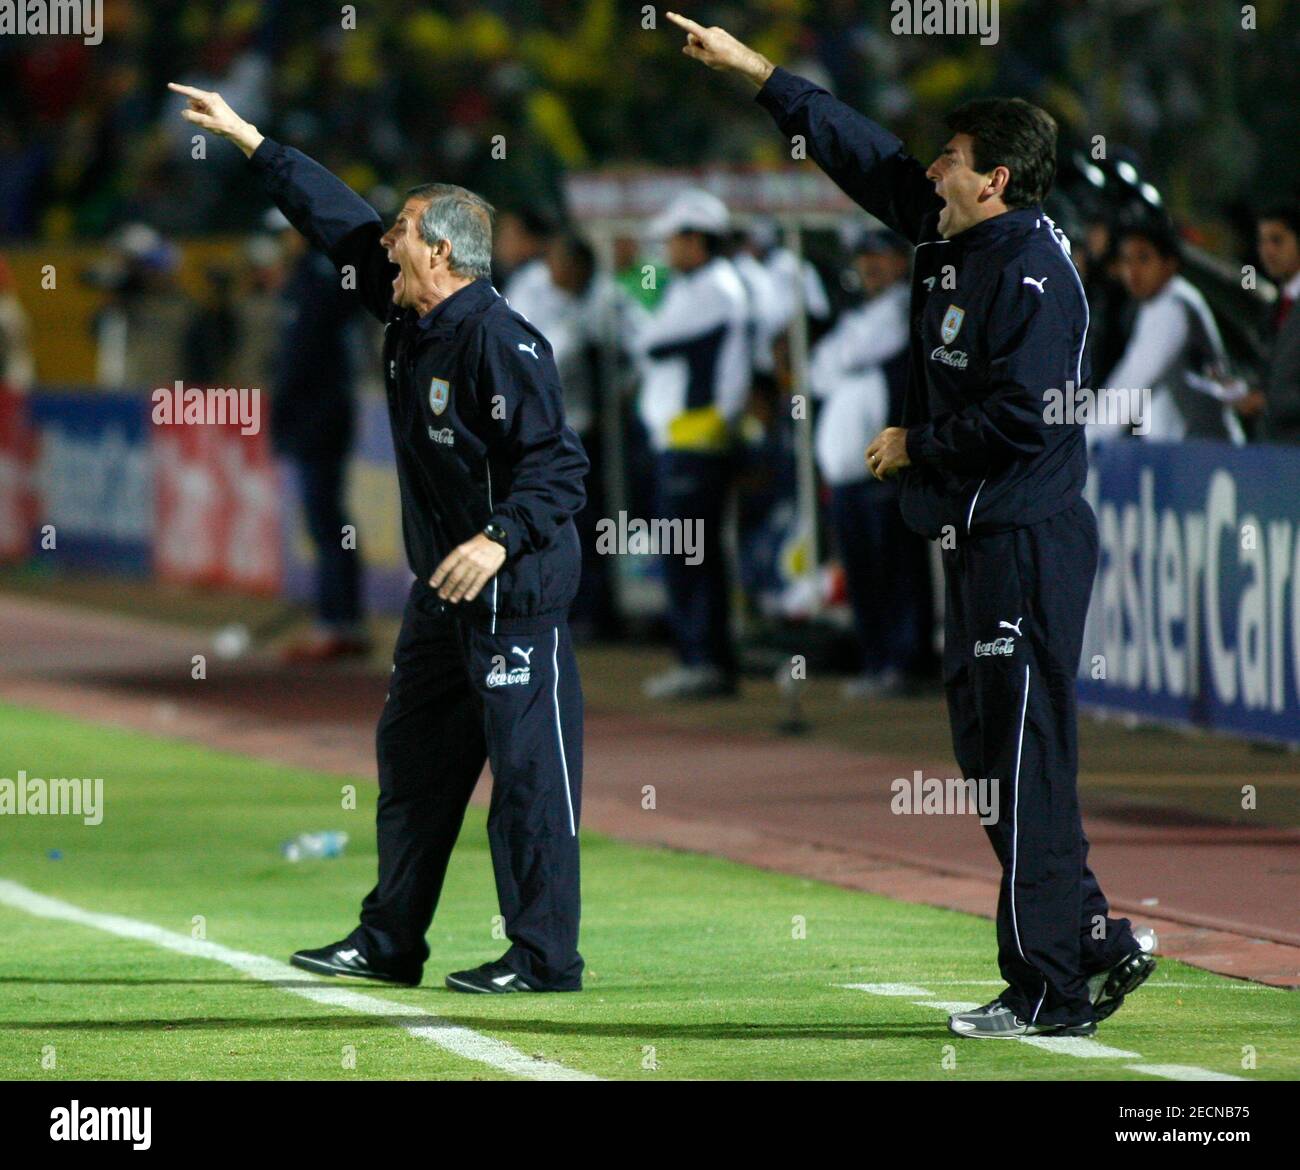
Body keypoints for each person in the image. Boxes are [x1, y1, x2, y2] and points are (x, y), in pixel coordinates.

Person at [667, 12, 1154, 1038]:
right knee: (992, 760)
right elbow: (864, 155)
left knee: (1021, 763)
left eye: (952, 159)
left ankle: (1048, 989)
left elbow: (1028, 413)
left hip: (1022, 539)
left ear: (998, 183)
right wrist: (755, 72)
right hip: (978, 540)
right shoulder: (954, 236)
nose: (931, 171)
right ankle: (1091, 938)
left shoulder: (1032, 276)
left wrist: (915, 444)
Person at [171, 81, 590, 994]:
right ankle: (391, 939)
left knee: (527, 784)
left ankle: (545, 958)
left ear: (440, 250)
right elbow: (338, 224)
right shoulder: (412, 317)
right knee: (411, 768)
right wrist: (251, 139)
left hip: (512, 590)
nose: (385, 242)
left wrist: (500, 538)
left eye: (403, 229)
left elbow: (561, 470)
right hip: (443, 594)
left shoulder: (502, 344)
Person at [631, 188, 753, 699]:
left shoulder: (714, 288)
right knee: (691, 554)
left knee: (690, 555)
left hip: (696, 437)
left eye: (675, 239)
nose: (667, 250)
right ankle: (703, 658)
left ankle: (703, 660)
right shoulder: (699, 285)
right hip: (683, 437)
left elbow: (649, 342)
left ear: (698, 240)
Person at [809, 228, 930, 696]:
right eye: (863, 258)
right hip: (848, 476)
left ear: (902, 260)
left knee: (895, 570)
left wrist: (841, 360)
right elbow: (819, 370)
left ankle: (904, 663)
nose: (870, 266)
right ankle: (878, 661)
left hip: (886, 470)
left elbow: (857, 354)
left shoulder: (904, 308)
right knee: (863, 572)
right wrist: (841, 359)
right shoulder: (857, 315)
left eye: (879, 256)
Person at [258, 209, 370, 662]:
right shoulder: (312, 277)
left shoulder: (316, 279)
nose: (281, 243)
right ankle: (341, 620)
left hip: (319, 414)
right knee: (327, 520)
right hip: (322, 412)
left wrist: (283, 414)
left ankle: (339, 623)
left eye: (283, 234)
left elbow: (302, 358)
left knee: (327, 521)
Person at [1094, 219, 1245, 445]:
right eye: (1126, 260)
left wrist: (1083, 442)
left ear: (1169, 263)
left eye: (1143, 258)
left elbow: (1133, 384)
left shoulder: (1173, 306)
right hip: (1182, 453)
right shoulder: (1154, 303)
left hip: (1203, 455)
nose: (1132, 271)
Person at [1238, 204, 1300, 443]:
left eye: (1277, 241)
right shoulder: (1274, 306)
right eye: (1262, 242)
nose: (1267, 251)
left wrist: (1267, 401)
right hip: (1272, 450)